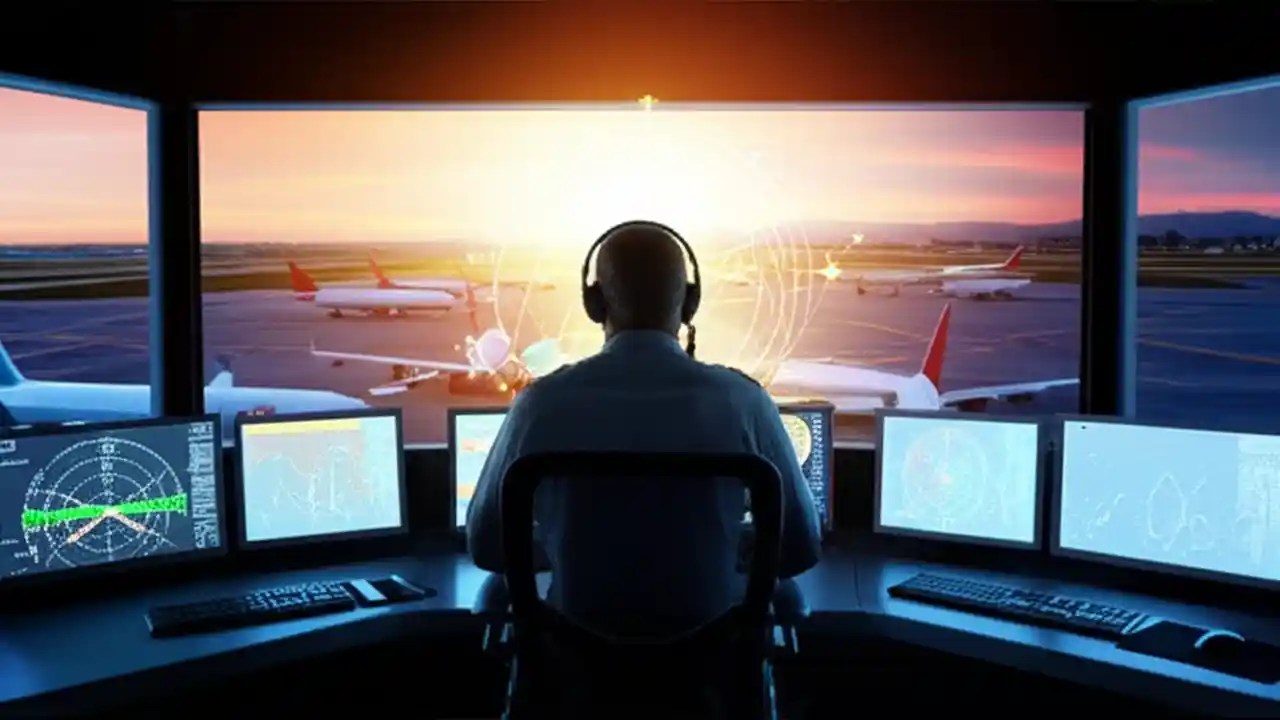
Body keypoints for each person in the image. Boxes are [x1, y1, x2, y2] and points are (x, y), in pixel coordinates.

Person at [466, 221, 822, 622]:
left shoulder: (540, 404)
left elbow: (486, 546)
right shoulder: (743, 401)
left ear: (594, 304)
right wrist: (721, 543)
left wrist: (567, 543)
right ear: (690, 303)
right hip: (708, 673)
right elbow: (800, 548)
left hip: (579, 673)